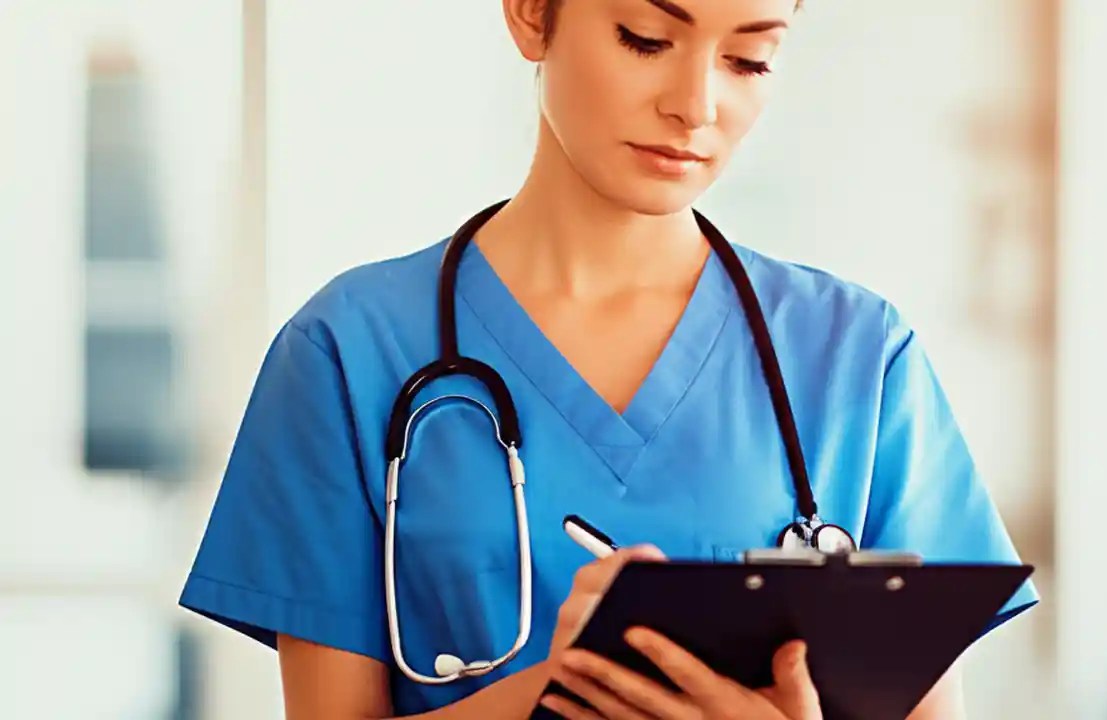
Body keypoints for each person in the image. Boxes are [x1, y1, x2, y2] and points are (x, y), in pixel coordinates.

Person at [178, 0, 1039, 718]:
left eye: (749, 60)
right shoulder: (347, 353)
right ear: (529, 14)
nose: (696, 105)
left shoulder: (857, 357)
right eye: (646, 39)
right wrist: (568, 688)